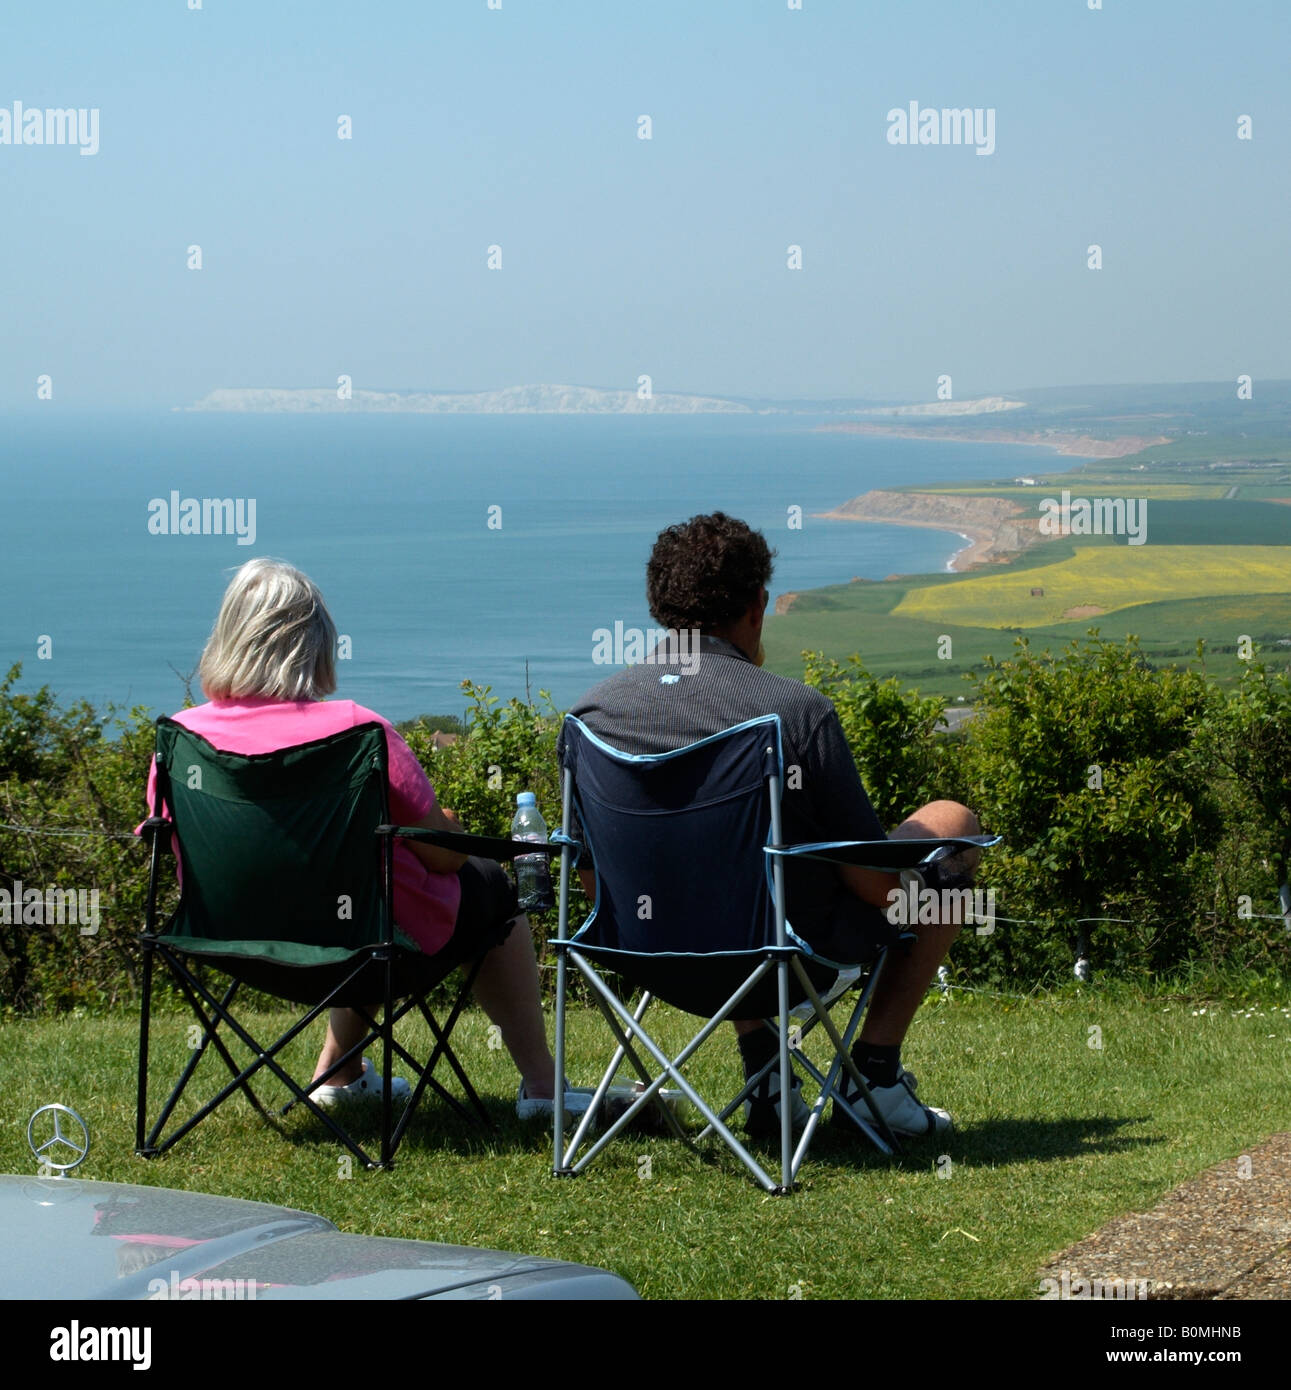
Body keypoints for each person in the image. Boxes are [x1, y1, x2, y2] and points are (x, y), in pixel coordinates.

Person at [560, 512, 984, 1138]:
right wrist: (931, 890)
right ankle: (875, 1073)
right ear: (757, 606)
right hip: (790, 961)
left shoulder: (592, 718)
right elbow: (874, 887)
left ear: (659, 607)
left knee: (732, 873)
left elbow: (596, 889)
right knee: (955, 824)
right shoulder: (796, 713)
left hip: (652, 961)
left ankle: (768, 1080)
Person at [142, 557, 587, 1121]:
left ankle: (341, 1070)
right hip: (364, 948)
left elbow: (175, 848)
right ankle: (544, 1087)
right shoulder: (357, 732)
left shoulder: (180, 741)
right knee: (491, 889)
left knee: (356, 889)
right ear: (318, 643)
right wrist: (440, 826)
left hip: (232, 946)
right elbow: (446, 859)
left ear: (228, 636)